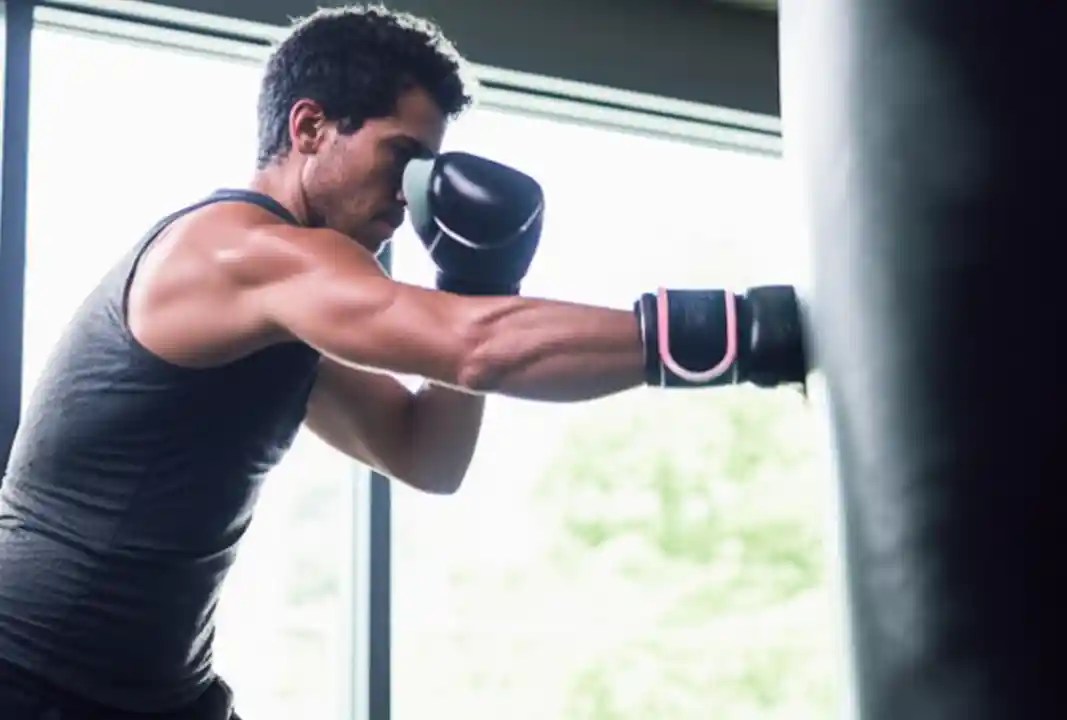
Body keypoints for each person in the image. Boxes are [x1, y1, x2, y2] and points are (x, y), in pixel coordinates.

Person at [0, 5, 806, 719]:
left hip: (161, 693)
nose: (409, 195)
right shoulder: (239, 253)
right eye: (401, 158)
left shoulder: (281, 318)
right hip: (32, 676)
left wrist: (479, 278)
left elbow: (427, 453)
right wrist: (746, 330)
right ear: (310, 128)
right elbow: (476, 347)